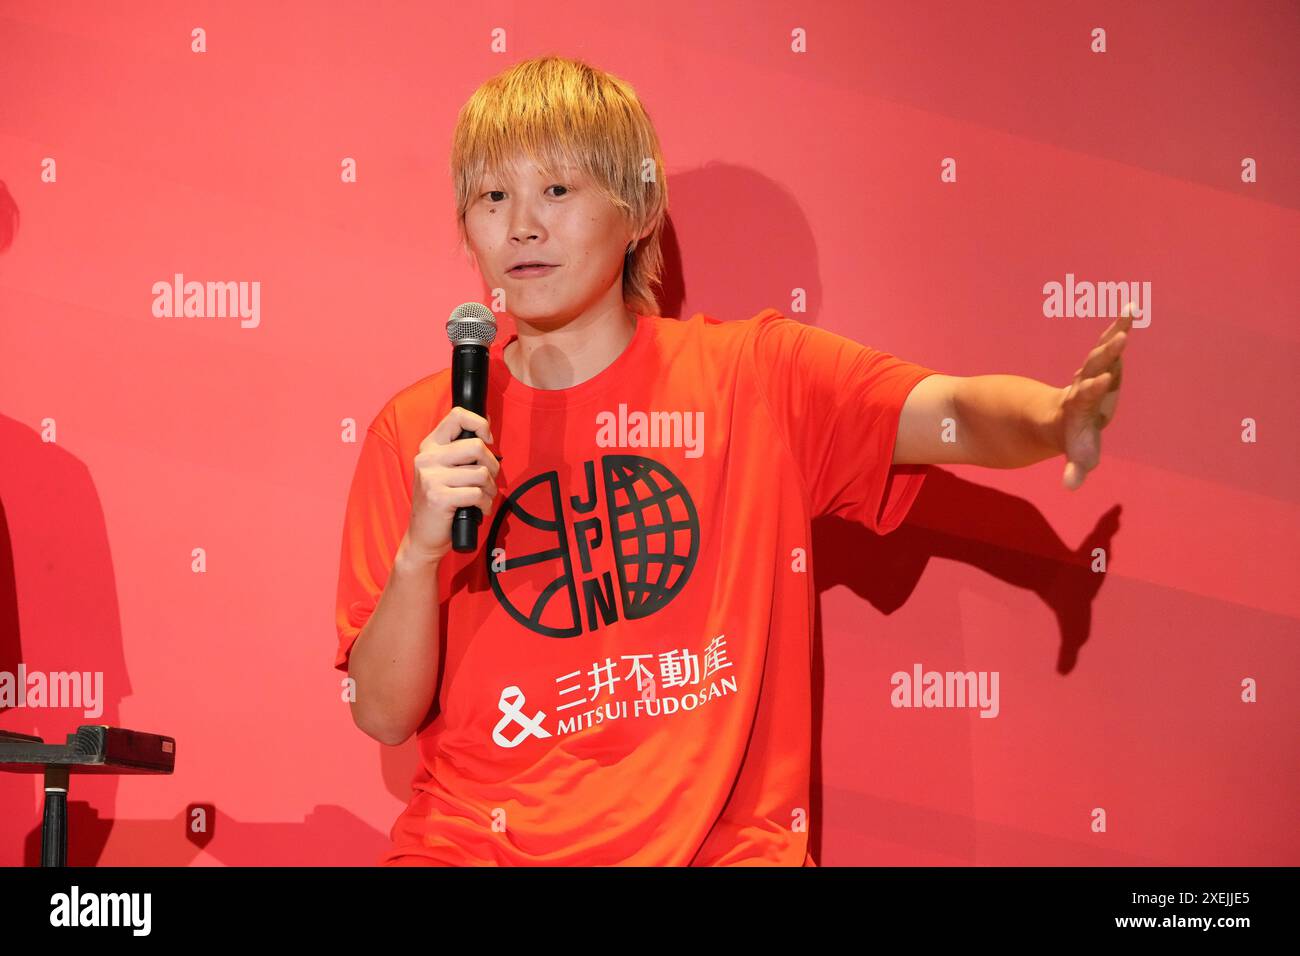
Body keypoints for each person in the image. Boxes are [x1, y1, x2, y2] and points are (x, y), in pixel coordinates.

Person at [333, 56, 1132, 866]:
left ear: (638, 207)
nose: (521, 227)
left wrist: (1055, 416)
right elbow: (384, 715)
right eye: (493, 197)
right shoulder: (422, 431)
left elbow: (952, 411)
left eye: (558, 191)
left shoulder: (757, 376)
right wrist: (419, 554)